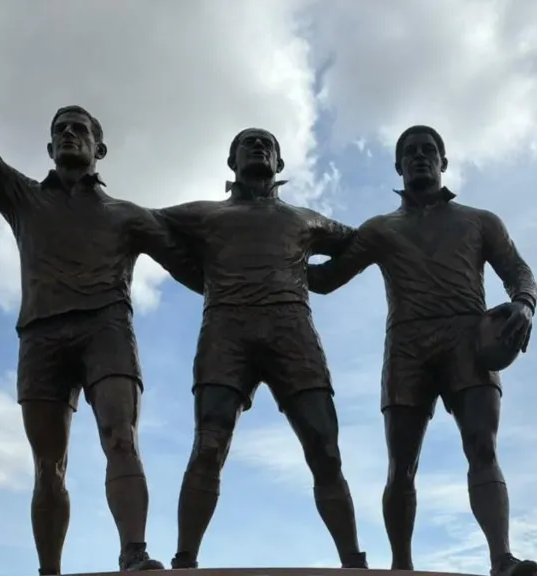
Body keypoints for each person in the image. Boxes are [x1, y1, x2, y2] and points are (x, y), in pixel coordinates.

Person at [0, 0, 204, 572]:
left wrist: (256, 284)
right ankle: (49, 571)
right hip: (41, 336)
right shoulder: (23, 200)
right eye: (60, 129)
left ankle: (133, 555)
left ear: (99, 147)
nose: (69, 134)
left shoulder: (128, 216)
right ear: (49, 146)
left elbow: (195, 269)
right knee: (47, 465)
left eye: (80, 129)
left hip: (106, 329)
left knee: (120, 438)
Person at [307, 125, 537, 576]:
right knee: (401, 464)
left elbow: (518, 272)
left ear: (443, 162)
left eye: (428, 150)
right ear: (398, 166)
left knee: (483, 448)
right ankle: (402, 566)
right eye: (410, 152)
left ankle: (501, 559)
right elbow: (326, 280)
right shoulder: (379, 229)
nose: (419, 156)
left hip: (468, 340)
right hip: (407, 346)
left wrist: (524, 305)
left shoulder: (480, 220)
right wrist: (279, 250)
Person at [155, 128, 367, 570]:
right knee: (209, 445)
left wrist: (323, 280)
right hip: (225, 333)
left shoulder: (305, 220)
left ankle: (353, 561)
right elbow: (141, 226)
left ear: (280, 163)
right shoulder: (202, 215)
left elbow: (365, 243)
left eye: (266, 143)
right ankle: (184, 560)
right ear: (230, 162)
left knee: (325, 448)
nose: (257, 147)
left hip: (293, 333)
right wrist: (201, 278)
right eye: (246, 144)